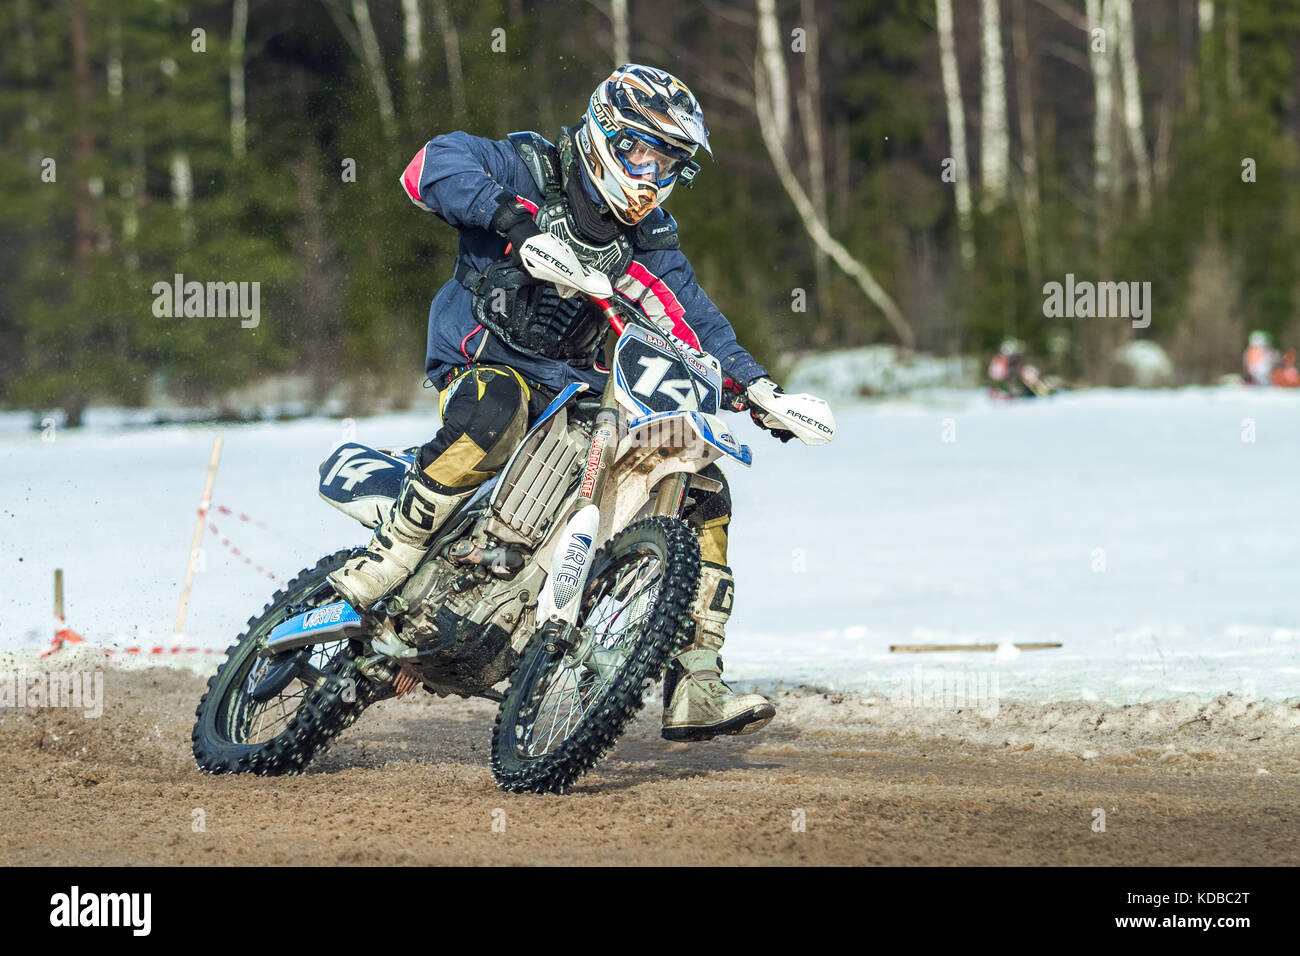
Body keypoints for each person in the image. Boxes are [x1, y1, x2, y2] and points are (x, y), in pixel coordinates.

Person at [328, 65, 828, 741]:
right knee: (497, 404)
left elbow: (697, 326)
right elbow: (429, 165)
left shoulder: (648, 243)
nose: (651, 175)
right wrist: (511, 219)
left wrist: (760, 391)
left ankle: (697, 679)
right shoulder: (532, 166)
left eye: (669, 163)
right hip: (484, 361)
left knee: (702, 484)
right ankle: (391, 554)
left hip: (578, 391)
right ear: (602, 132)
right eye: (639, 153)